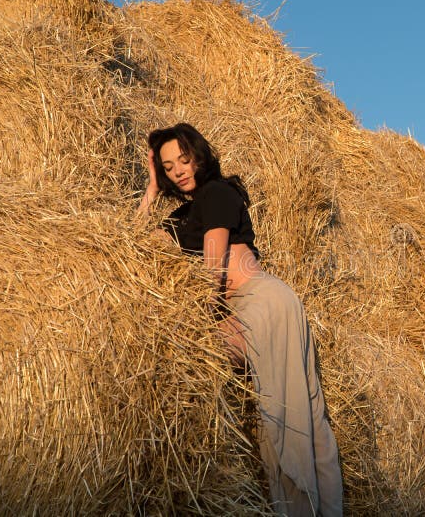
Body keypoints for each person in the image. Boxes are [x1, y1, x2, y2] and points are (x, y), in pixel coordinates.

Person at [136, 123, 343, 516]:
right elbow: (132, 243)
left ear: (199, 155)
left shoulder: (218, 193)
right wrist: (150, 188)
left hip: (263, 301)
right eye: (168, 166)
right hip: (245, 308)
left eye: (184, 159)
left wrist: (204, 322)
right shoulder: (182, 214)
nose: (178, 170)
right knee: (290, 419)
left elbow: (214, 266)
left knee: (290, 420)